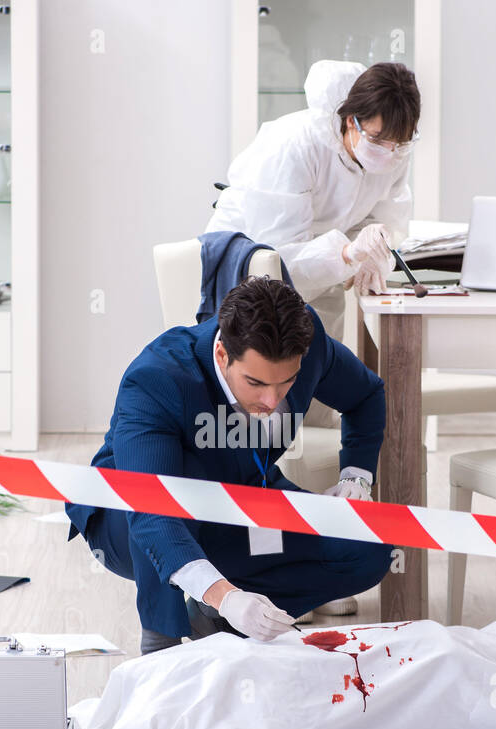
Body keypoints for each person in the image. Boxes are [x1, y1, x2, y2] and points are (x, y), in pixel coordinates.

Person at [65, 277, 393, 655]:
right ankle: (162, 640)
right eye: (255, 382)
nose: (271, 400)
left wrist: (356, 477)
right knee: (179, 490)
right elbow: (151, 512)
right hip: (132, 519)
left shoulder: (310, 342)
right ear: (222, 354)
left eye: (286, 382)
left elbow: (366, 395)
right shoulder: (157, 377)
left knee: (369, 545)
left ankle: (215, 621)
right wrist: (226, 595)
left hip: (245, 498)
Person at [205, 60, 421, 341]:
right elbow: (276, 258)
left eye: (400, 143)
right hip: (246, 275)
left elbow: (386, 217)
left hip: (321, 276)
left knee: (323, 373)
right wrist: (347, 253)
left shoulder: (393, 154)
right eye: (378, 140)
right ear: (350, 120)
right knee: (262, 372)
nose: (389, 153)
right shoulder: (295, 146)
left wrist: (374, 251)